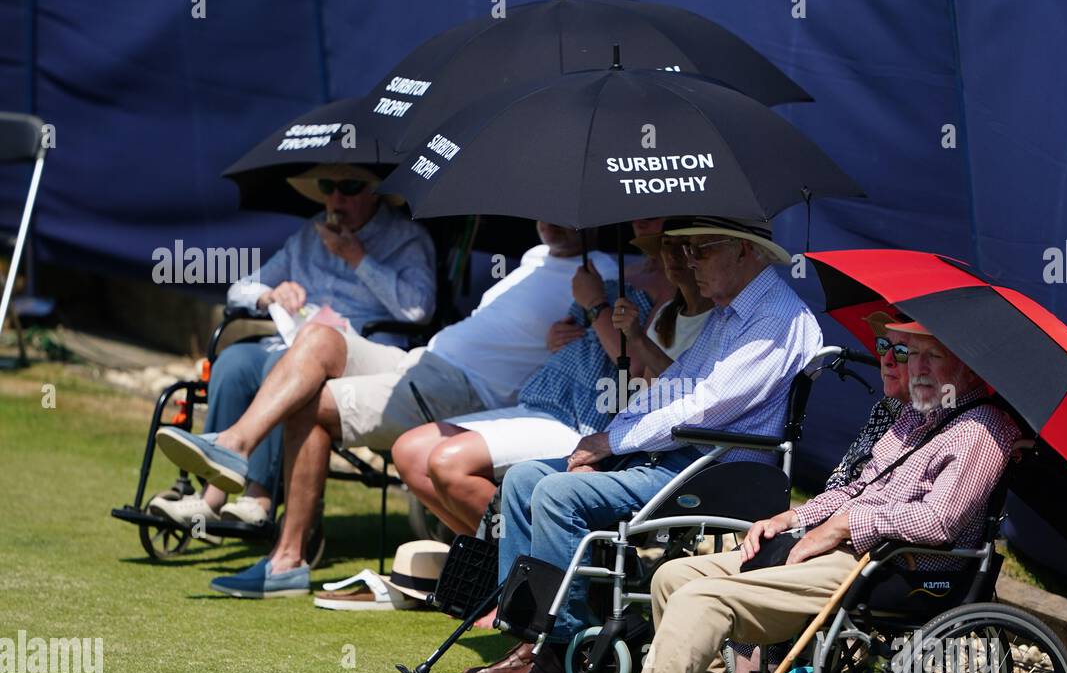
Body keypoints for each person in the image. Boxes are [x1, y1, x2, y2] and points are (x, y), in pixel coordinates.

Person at [540, 320, 1021, 673]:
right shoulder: (913, 416)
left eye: (930, 356)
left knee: (704, 598)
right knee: (673, 576)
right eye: (903, 350)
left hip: (894, 569)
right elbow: (857, 487)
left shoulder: (983, 431)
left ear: (969, 366)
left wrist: (849, 525)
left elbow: (938, 522)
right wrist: (792, 516)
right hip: (842, 552)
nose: (912, 366)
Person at [154, 220, 616, 597]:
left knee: (312, 403)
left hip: (464, 392)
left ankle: (286, 558)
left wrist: (575, 328)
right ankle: (236, 446)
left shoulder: (607, 275)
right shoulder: (536, 258)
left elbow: (603, 354)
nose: (548, 218)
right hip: (420, 362)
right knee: (319, 336)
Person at [471, 217, 823, 673]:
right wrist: (605, 440)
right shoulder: (732, 312)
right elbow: (673, 388)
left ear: (745, 251)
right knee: (523, 479)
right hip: (684, 457)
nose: (687, 263)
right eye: (686, 251)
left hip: (719, 472)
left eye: (701, 251)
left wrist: (613, 445)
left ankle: (556, 646)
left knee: (555, 492)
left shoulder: (775, 319)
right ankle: (525, 634)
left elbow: (701, 407)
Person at [148, 164, 436, 535]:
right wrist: (270, 295)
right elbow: (240, 288)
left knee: (280, 367)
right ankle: (211, 496)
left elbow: (419, 308)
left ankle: (259, 497)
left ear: (376, 191)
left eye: (349, 186)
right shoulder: (309, 235)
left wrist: (358, 260)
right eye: (327, 186)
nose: (336, 198)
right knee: (233, 362)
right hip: (294, 340)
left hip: (359, 351)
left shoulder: (407, 238)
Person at [393, 218, 715, 538]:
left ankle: (534, 564)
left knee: (448, 464)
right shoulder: (622, 271)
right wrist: (559, 335)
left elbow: (631, 363)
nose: (643, 220)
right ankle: (499, 566)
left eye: (656, 214)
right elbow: (592, 331)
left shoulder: (677, 287)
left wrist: (595, 303)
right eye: (639, 213)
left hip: (585, 415)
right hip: (549, 395)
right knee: (410, 453)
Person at [727, 311, 909, 673]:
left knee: (764, 571)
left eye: (900, 350)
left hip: (883, 553)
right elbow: (847, 484)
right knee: (766, 547)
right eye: (882, 347)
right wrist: (795, 518)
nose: (887, 359)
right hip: (841, 525)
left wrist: (837, 526)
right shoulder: (890, 411)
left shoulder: (956, 426)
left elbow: (929, 517)